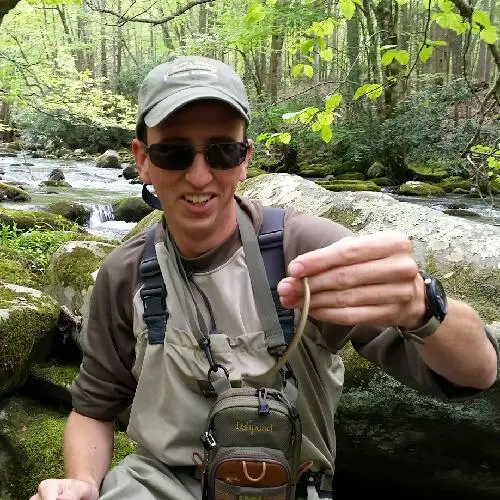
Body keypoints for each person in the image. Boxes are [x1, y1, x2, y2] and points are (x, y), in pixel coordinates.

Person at [31, 56, 498, 500]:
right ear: (143, 159)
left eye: (222, 151)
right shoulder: (124, 272)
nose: (199, 176)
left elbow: (476, 374)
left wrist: (423, 308)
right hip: (158, 485)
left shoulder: (306, 252)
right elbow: (93, 409)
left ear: (246, 157)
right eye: (174, 153)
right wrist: (82, 484)